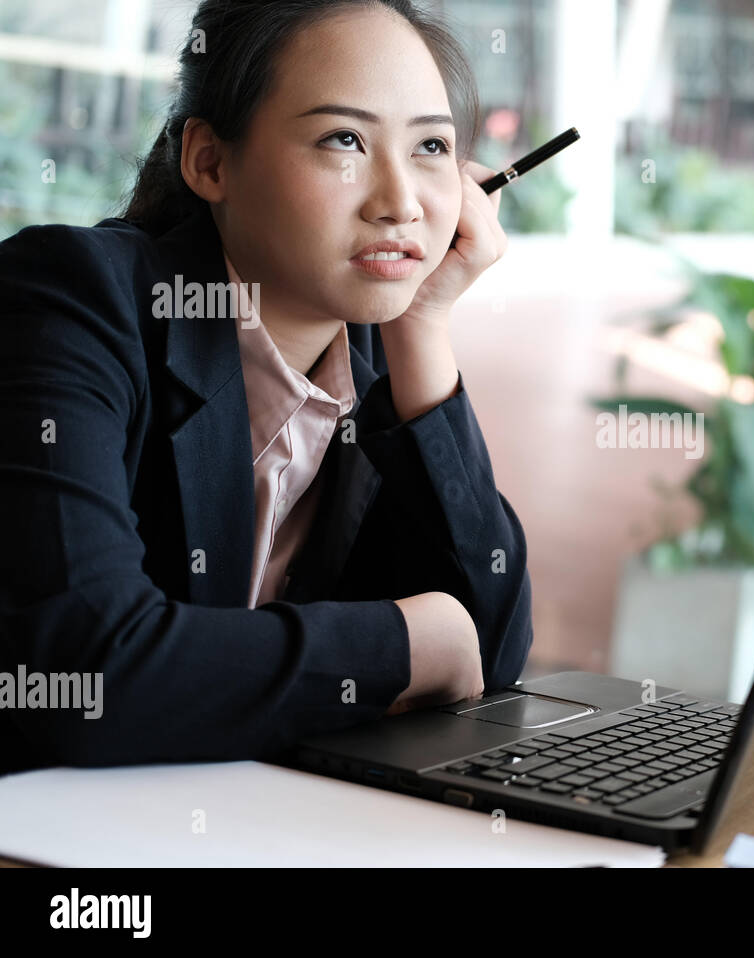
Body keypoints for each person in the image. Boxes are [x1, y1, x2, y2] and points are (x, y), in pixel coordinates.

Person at [0, 0, 532, 774]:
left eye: (431, 148)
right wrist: (400, 647)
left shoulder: (375, 365)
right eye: (344, 139)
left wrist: (423, 323)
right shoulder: (71, 299)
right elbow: (82, 668)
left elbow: (489, 654)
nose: (402, 202)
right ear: (210, 162)